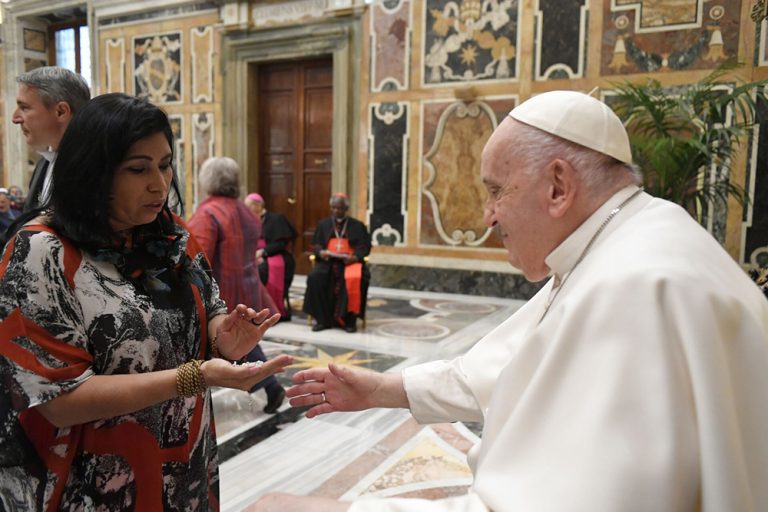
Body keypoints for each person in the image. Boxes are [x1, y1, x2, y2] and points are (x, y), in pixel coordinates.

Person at [254, 90, 768, 511]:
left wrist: (337, 511)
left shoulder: (634, 289)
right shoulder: (628, 240)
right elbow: (515, 366)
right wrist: (385, 388)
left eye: (496, 191)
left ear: (558, 187)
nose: (487, 217)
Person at [0, 93, 291, 510]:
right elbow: (60, 401)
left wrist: (223, 336)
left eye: (165, 164)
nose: (159, 183)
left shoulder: (169, 233)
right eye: (138, 169)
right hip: (91, 482)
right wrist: (194, 377)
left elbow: (208, 307)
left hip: (179, 466)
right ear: (93, 171)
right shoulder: (41, 251)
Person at [188, 158, 287, 414]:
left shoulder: (208, 213)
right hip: (249, 286)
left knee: (232, 344)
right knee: (245, 342)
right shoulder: (247, 212)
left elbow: (198, 261)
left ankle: (267, 384)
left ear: (207, 180)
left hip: (222, 293)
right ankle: (269, 384)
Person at [12, 66, 90, 213]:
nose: (15, 118)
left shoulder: (96, 167)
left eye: (24, 108)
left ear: (61, 112)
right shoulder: (44, 163)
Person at [303, 193, 371, 333]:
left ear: (346, 208)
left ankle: (349, 321)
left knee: (358, 279)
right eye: (333, 208)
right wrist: (321, 252)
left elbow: (365, 247)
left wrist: (355, 257)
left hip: (349, 262)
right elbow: (316, 245)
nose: (336, 211)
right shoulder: (324, 224)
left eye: (339, 208)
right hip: (328, 262)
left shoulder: (357, 226)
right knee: (315, 278)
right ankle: (322, 320)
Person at [244, 193, 298, 321]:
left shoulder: (276, 219)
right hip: (254, 256)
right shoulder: (248, 220)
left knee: (261, 271)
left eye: (248, 206)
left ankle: (268, 310)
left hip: (277, 256)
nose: (246, 209)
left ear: (257, 206)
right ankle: (249, 308)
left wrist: (263, 252)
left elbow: (281, 243)